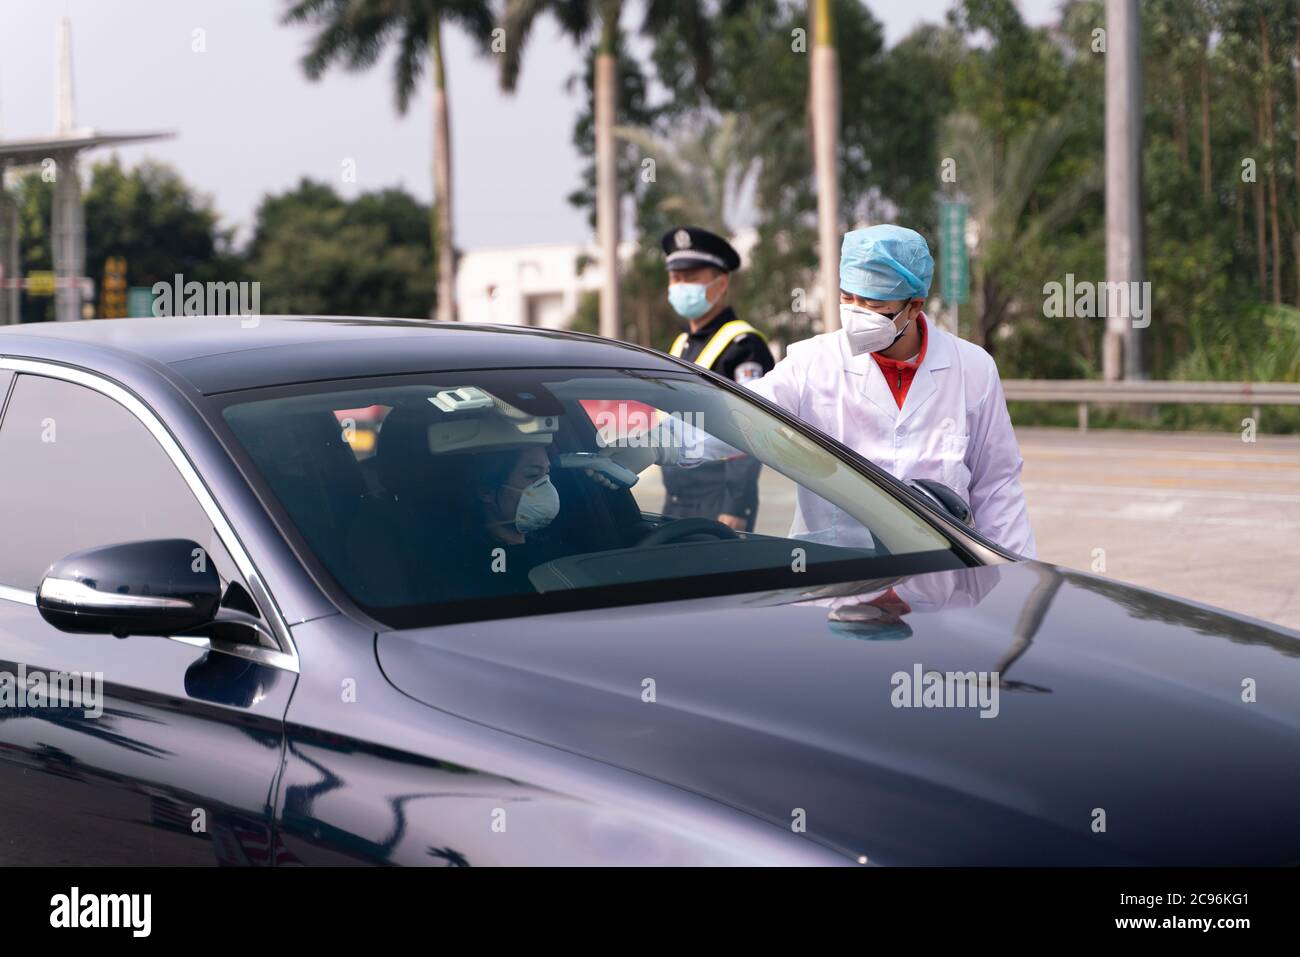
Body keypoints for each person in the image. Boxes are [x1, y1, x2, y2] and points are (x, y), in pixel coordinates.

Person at [581, 224, 1036, 557]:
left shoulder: (972, 369)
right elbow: (736, 418)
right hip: (835, 575)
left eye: (873, 304)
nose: (855, 312)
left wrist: (1016, 576)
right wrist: (651, 446)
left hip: (941, 574)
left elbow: (997, 486)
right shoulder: (812, 363)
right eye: (847, 297)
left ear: (914, 305)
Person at [659, 226, 775, 531]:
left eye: (692, 277)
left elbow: (751, 429)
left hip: (719, 501)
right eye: (676, 278)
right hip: (677, 497)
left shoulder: (744, 345)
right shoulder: (683, 343)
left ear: (721, 283)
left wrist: (736, 503)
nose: (681, 285)